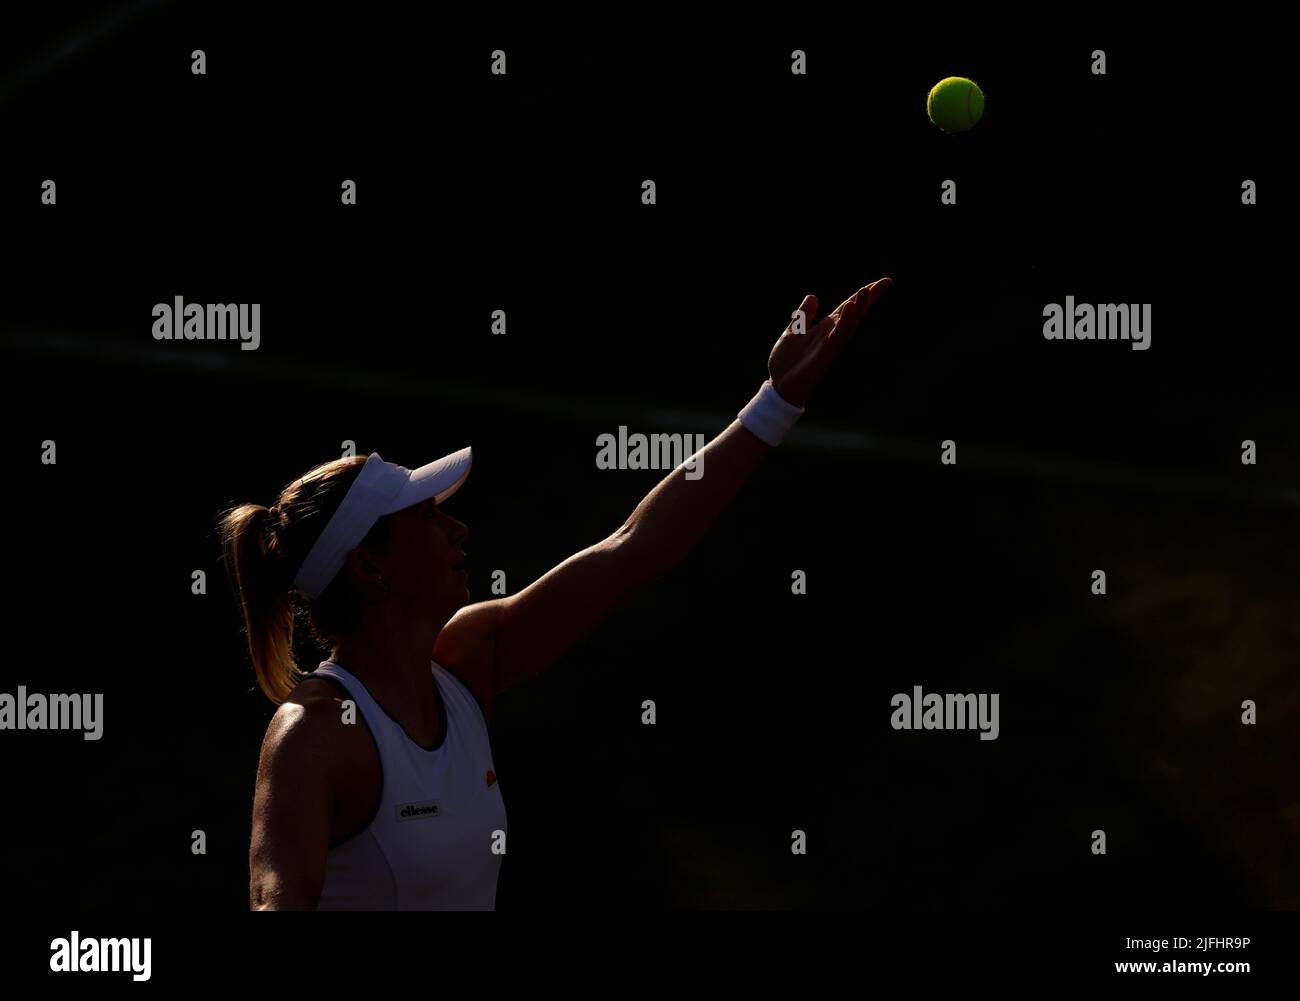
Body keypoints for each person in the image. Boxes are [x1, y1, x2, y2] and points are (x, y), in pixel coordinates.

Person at [220, 278, 892, 910]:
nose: (458, 527)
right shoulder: (310, 735)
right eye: (427, 516)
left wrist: (774, 404)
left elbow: (633, 548)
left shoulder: (465, 658)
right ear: (370, 567)